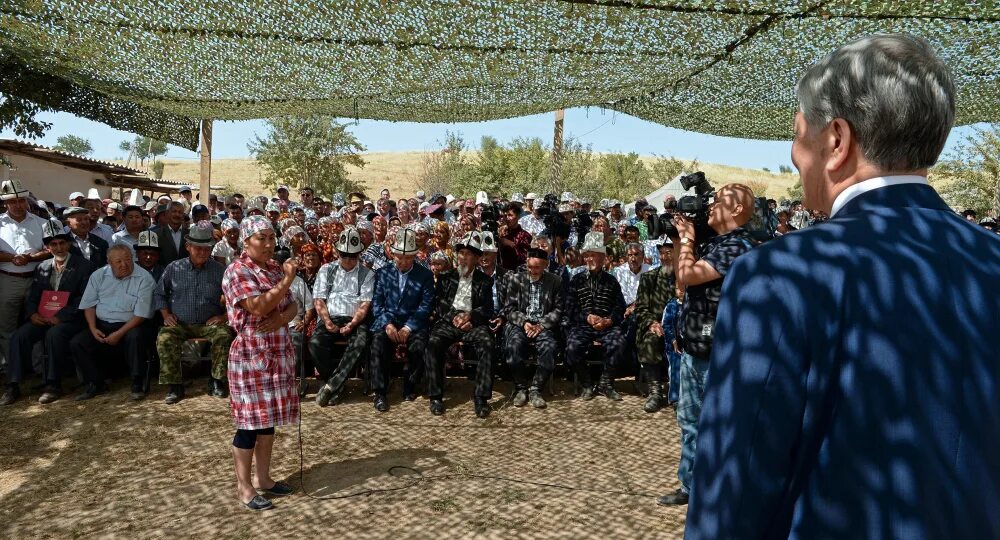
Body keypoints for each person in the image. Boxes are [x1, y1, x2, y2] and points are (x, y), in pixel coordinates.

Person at [686, 35, 1000, 538]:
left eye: (796, 134)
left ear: (836, 140)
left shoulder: (778, 276)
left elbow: (736, 482)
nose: (793, 154)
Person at [221, 215, 300, 510]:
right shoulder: (236, 271)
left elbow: (292, 305)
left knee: (268, 423)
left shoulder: (273, 269)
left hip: (278, 351)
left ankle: (264, 478)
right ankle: (245, 487)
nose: (269, 244)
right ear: (246, 241)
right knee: (249, 425)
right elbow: (258, 306)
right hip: (251, 355)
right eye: (261, 239)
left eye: (271, 238)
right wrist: (288, 280)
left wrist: (282, 317)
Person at [1, 221, 92, 405]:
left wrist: (60, 317)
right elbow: (34, 296)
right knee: (19, 336)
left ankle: (53, 384)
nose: (58, 247)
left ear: (68, 244)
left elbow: (83, 299)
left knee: (54, 334)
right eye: (53, 244)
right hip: (43, 317)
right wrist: (32, 314)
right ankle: (12, 385)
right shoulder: (42, 267)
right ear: (48, 247)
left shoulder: (83, 266)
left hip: (70, 319)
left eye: (62, 243)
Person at [154, 221, 232, 405]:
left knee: (224, 334)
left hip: (208, 324)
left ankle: (217, 381)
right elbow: (159, 293)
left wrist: (224, 317)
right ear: (188, 246)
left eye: (207, 249)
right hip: (180, 323)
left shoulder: (219, 270)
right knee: (165, 338)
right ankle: (175, 385)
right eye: (199, 248)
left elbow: (234, 297)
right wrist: (166, 315)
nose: (203, 252)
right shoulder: (174, 268)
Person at [423, 231, 496, 417]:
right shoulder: (446, 277)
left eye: (469, 254)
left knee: (487, 343)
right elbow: (439, 303)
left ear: (478, 258)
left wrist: (470, 317)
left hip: (473, 324)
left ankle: (481, 398)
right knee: (433, 342)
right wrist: (454, 318)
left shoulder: (485, 280)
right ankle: (436, 396)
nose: (463, 258)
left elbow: (487, 309)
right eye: (461, 253)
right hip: (449, 321)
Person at [70, 244, 155, 401]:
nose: (124, 264)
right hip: (102, 324)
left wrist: (119, 333)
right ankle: (96, 383)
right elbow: (89, 304)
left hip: (131, 325)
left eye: (128, 259)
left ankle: (137, 382)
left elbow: (141, 315)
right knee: (78, 343)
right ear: (109, 262)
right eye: (119, 261)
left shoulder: (144, 278)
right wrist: (93, 328)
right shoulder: (98, 275)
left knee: (135, 337)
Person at [369, 228, 435, 412]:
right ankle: (380, 392)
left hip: (413, 321)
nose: (403, 261)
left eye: (408, 258)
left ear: (415, 256)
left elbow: (426, 305)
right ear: (393, 254)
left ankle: (410, 385)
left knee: (419, 345)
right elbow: (377, 303)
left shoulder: (425, 275)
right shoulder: (383, 273)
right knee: (378, 342)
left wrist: (408, 327)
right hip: (388, 320)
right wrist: (387, 324)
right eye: (400, 257)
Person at [311, 227, 375, 407]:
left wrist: (353, 323)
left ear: (359, 254)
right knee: (315, 344)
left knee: (361, 342)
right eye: (344, 254)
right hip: (329, 317)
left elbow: (365, 304)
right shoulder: (326, 270)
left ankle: (330, 386)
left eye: (353, 256)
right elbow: (319, 300)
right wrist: (327, 321)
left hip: (354, 319)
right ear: (337, 252)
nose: (348, 259)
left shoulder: (367, 274)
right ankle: (337, 385)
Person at [565, 232, 627, 400]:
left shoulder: (611, 280)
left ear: (602, 257)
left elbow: (620, 306)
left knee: (619, 343)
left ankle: (606, 383)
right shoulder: (576, 280)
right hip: (583, 325)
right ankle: (587, 383)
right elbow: (570, 308)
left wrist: (609, 320)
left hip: (606, 326)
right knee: (572, 347)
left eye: (594, 255)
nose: (589, 259)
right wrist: (587, 317)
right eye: (587, 256)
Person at [503, 248, 564, 409]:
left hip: (543, 325)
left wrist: (542, 325)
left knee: (550, 348)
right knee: (512, 347)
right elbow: (509, 309)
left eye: (537, 267)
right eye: (530, 267)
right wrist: (524, 322)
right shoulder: (516, 279)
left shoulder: (555, 281)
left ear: (545, 265)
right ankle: (521, 387)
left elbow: (558, 310)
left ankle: (536, 388)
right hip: (521, 323)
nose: (532, 271)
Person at [0, 179, 53, 366]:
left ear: (27, 200)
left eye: (21, 200)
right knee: (7, 326)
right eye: (12, 201)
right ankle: (10, 368)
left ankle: (39, 367)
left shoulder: (41, 222)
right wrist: (11, 258)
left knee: (38, 323)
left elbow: (52, 249)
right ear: (5, 203)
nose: (17, 205)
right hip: (8, 279)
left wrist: (30, 258)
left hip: (38, 279)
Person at [633, 239, 676, 413]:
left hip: (680, 327)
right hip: (655, 325)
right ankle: (655, 392)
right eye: (662, 253)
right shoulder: (649, 278)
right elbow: (641, 308)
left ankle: (680, 394)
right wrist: (652, 323)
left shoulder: (686, 277)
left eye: (669, 252)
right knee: (650, 341)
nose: (665, 257)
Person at [498, 205, 531, 271]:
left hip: (517, 273)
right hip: (501, 271)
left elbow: (526, 258)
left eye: (510, 215)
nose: (507, 218)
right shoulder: (501, 232)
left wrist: (512, 245)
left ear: (518, 217)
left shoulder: (525, 235)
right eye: (505, 216)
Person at [156, 201, 189, 266]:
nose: (177, 214)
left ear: (183, 215)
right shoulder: (157, 234)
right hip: (164, 273)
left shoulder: (190, 234)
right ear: (167, 213)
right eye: (174, 211)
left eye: (180, 212)